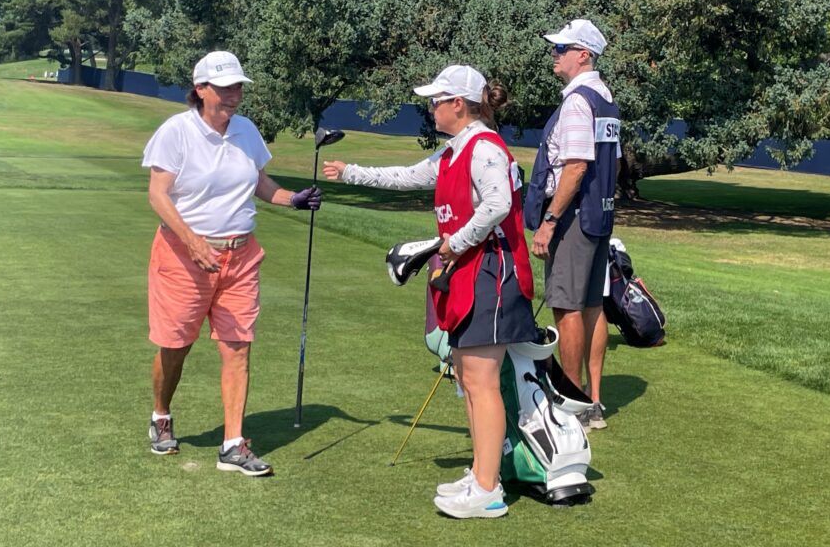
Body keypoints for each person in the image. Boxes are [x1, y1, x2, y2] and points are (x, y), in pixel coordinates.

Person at [322, 65, 537, 519]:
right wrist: (350, 172)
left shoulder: (484, 149)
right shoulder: (454, 152)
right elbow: (407, 176)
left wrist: (453, 243)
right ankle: (482, 473)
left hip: (492, 272)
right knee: (468, 377)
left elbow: (498, 205)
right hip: (471, 272)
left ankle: (489, 489)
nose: (431, 108)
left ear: (458, 104)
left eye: (436, 100)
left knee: (481, 382)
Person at [142, 50, 322, 476]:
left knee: (237, 347)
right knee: (175, 346)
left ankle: (233, 444)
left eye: (238, 87)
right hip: (183, 257)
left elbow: (258, 180)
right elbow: (158, 194)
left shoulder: (245, 131)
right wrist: (192, 243)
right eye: (224, 88)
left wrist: (291, 199)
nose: (233, 96)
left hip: (241, 256)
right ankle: (161, 413)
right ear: (201, 89)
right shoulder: (176, 132)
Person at [523, 19, 620, 431]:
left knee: (567, 307)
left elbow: (576, 167)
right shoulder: (605, 96)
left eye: (563, 48)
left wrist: (548, 221)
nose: (555, 54)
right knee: (593, 306)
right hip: (600, 215)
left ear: (584, 55)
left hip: (574, 218)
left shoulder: (579, 100)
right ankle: (593, 403)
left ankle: (574, 407)